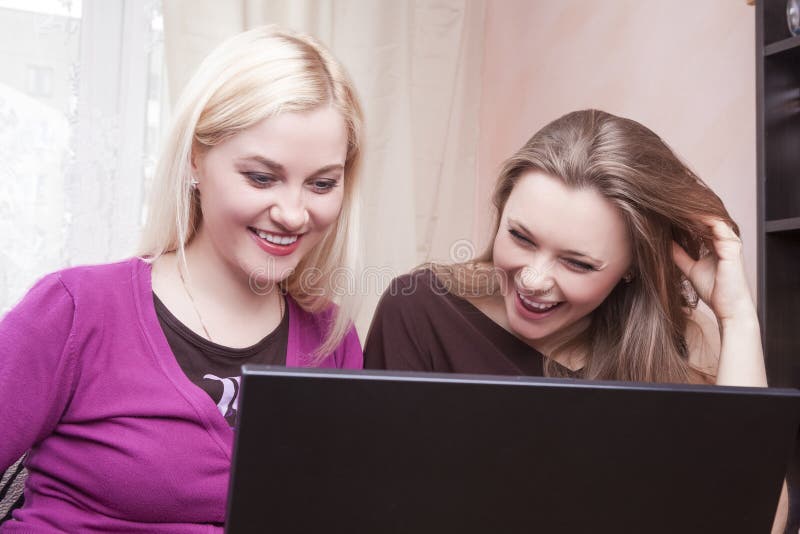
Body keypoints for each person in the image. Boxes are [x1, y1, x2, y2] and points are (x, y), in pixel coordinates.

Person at [0, 25, 364, 532]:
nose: (293, 213)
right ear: (196, 160)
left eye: (321, 184)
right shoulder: (75, 311)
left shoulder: (332, 341)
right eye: (261, 177)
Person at [365, 109, 765, 386]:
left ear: (632, 268)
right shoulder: (419, 311)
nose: (534, 280)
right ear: (501, 210)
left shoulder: (682, 342)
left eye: (577, 263)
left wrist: (738, 320)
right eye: (520, 237)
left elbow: (758, 510)